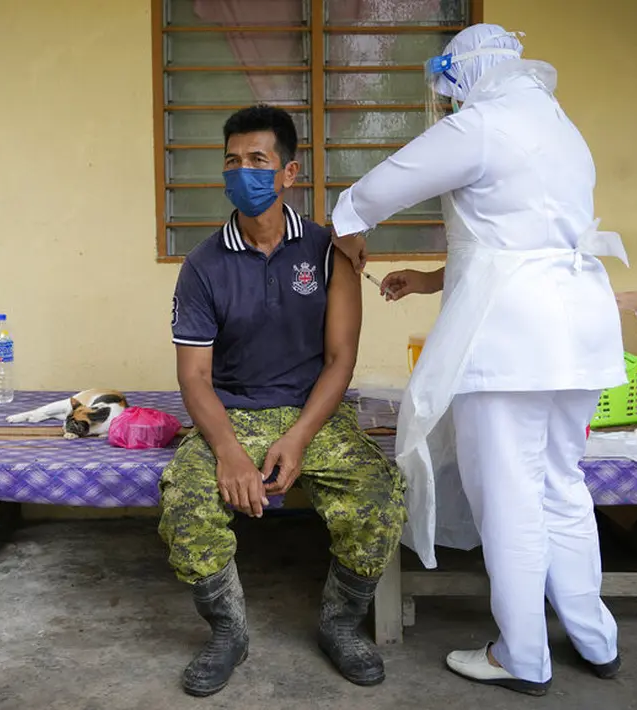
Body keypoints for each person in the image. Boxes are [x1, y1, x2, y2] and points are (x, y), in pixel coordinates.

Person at [331, 25, 628, 696]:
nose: (447, 104)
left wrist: (344, 219)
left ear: (465, 76)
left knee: (511, 496)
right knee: (561, 483)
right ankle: (595, 637)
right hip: (577, 324)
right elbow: (522, 234)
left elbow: (384, 185)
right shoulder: (560, 128)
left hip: (511, 338)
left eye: (449, 90)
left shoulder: (483, 125)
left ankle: (521, 656)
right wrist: (434, 279)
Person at [160, 105, 406, 697]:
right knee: (186, 505)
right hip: (233, 412)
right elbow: (194, 377)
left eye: (257, 161)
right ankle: (227, 632)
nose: (243, 172)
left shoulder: (329, 252)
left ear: (288, 173)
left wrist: (297, 438)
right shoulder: (202, 266)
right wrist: (228, 453)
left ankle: (340, 625)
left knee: (378, 497)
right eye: (232, 162)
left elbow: (340, 360)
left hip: (313, 412)